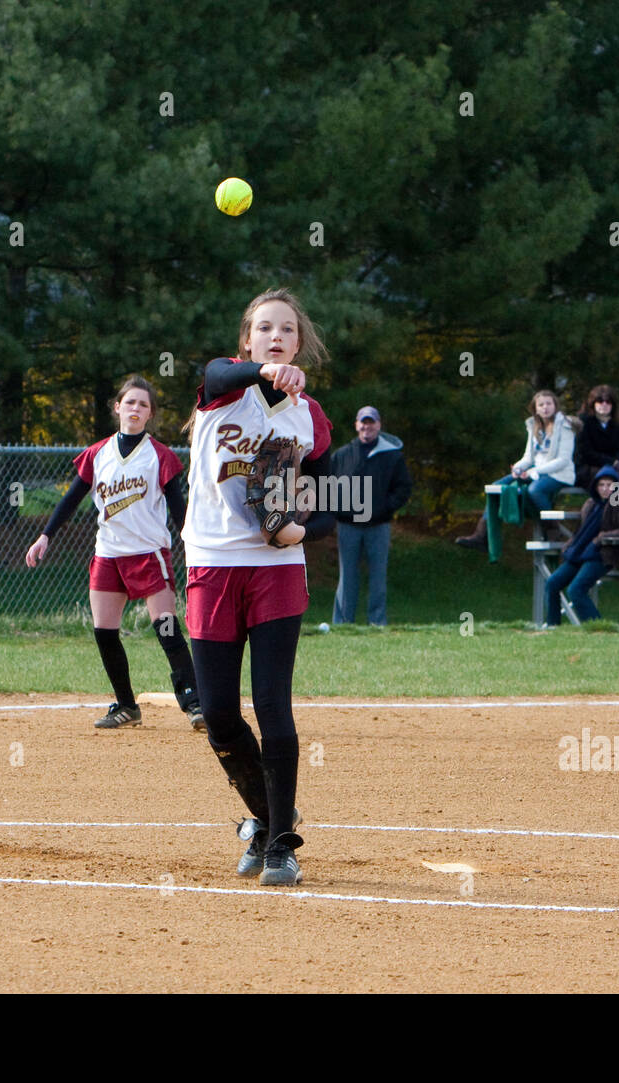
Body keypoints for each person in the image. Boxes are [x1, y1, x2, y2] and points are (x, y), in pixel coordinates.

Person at [181, 286, 336, 886]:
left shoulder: (309, 416)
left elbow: (330, 495)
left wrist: (302, 528)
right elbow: (216, 369)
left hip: (275, 573)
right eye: (265, 328)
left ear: (301, 343)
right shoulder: (222, 394)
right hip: (213, 564)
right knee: (218, 713)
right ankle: (271, 817)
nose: (278, 336)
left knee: (272, 704)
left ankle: (280, 846)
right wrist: (263, 371)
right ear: (248, 341)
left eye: (288, 330)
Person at [25, 377, 203, 731]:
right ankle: (126, 705)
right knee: (105, 632)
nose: (136, 409)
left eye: (143, 405)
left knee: (166, 628)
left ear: (150, 414)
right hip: (108, 554)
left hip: (148, 553)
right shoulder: (97, 454)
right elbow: (71, 499)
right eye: (130, 402)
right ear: (117, 407)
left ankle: (196, 704)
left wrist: (193, 545)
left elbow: (179, 510)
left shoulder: (159, 455)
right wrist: (45, 535)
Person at [455, 389, 577, 550]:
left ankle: (552, 528)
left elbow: (563, 460)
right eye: (541, 404)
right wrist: (518, 468)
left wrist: (535, 472)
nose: (545, 407)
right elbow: (528, 457)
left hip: (559, 473)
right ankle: (482, 535)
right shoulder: (533, 426)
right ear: (535, 408)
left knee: (535, 490)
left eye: (549, 403)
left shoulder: (566, 427)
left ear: (555, 406)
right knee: (496, 487)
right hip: (536, 471)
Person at [331, 405, 413, 625]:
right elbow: (328, 486)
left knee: (378, 577)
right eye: (363, 422)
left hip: (379, 526)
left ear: (379, 425)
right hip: (348, 525)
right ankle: (343, 623)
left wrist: (385, 508)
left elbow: (403, 488)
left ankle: (377, 622)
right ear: (357, 425)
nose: (367, 426)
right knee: (347, 577)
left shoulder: (392, 456)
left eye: (371, 422)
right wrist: (338, 510)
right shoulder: (343, 454)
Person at [544, 465, 619, 626]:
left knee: (576, 590)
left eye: (609, 485)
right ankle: (553, 626)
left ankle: (598, 626)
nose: (605, 489)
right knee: (553, 583)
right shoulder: (592, 503)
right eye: (601, 485)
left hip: (604, 554)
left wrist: (602, 537)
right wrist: (570, 543)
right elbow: (581, 531)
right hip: (582, 551)